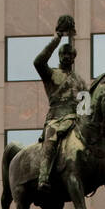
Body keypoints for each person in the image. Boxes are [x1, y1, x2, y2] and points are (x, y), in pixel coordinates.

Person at [33, 16, 86, 192]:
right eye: (63, 54)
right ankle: (43, 176)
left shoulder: (80, 81)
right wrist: (58, 38)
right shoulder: (51, 74)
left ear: (74, 57)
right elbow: (38, 62)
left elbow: (86, 107)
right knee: (51, 141)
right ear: (59, 55)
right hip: (56, 118)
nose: (66, 57)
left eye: (69, 54)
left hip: (76, 120)